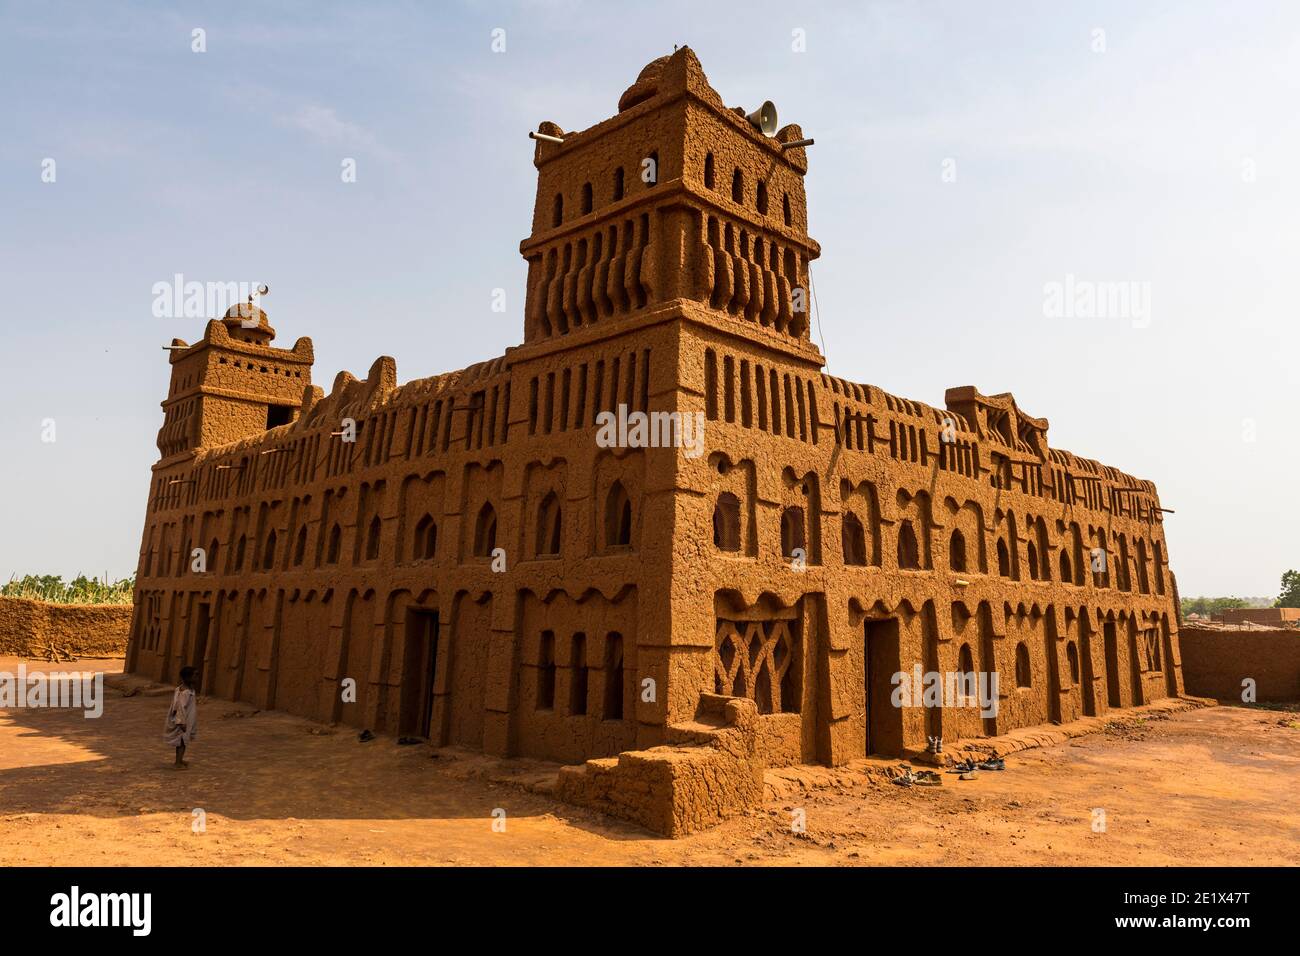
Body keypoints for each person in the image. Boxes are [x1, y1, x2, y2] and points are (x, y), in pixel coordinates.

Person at [164, 667, 199, 769]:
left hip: (185, 719)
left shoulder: (183, 689)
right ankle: (177, 763)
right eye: (195, 675)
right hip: (183, 720)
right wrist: (181, 722)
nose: (197, 678)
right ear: (187, 677)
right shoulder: (185, 692)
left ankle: (179, 759)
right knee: (182, 742)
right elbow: (179, 707)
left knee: (182, 741)